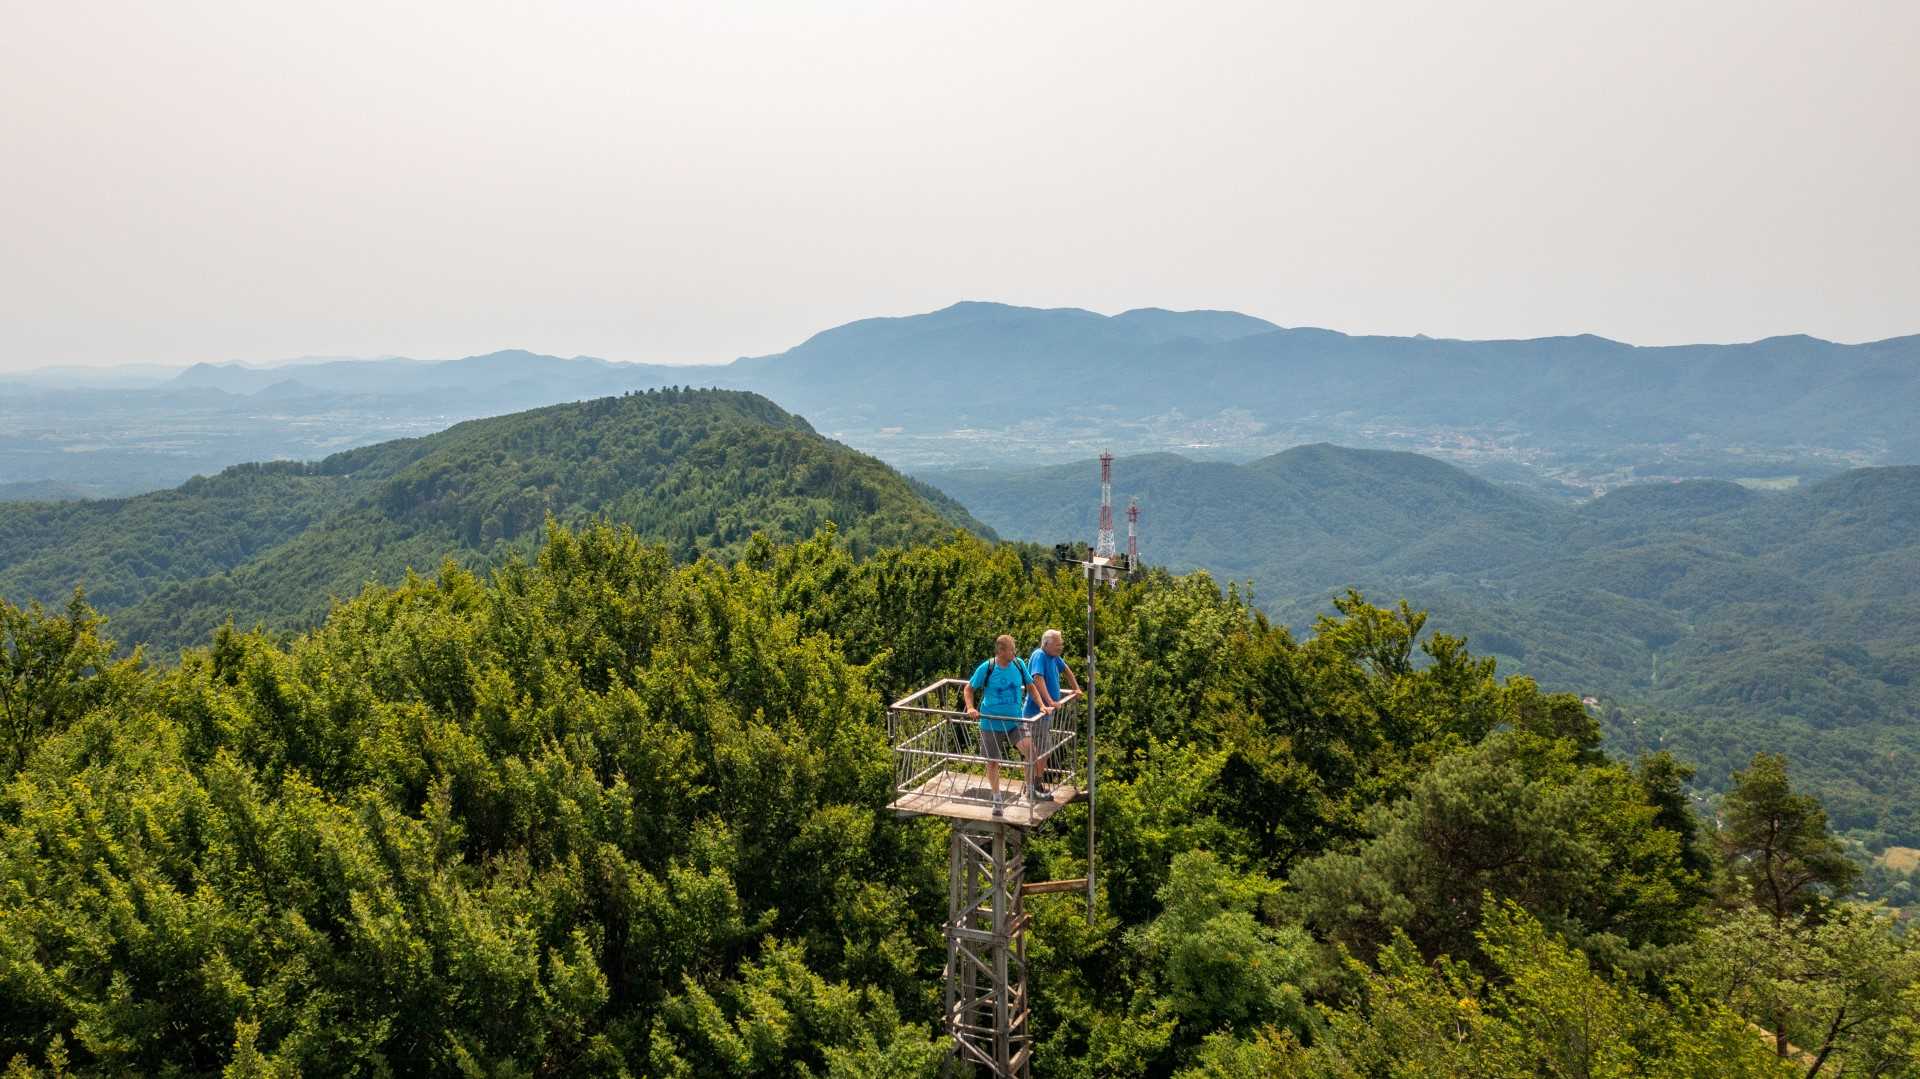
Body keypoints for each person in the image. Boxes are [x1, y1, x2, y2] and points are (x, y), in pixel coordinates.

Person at [965, 633, 1047, 816]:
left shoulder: (1018, 664)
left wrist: (1042, 705)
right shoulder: (988, 667)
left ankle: (1030, 789)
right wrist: (970, 708)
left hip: (1015, 721)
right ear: (1001, 651)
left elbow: (1031, 685)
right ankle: (997, 799)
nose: (1014, 652)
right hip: (991, 723)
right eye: (1011, 649)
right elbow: (969, 688)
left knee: (1031, 752)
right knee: (993, 762)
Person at [1024, 628, 1082, 798]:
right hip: (1036, 714)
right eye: (1058, 644)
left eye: (1061, 643)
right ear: (1047, 644)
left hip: (1046, 714)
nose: (1061, 646)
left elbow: (1066, 670)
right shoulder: (1040, 655)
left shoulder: (1053, 657)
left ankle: (1035, 784)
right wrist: (1049, 701)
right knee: (1038, 751)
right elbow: (1037, 679)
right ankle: (1032, 787)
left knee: (1044, 750)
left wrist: (1076, 688)